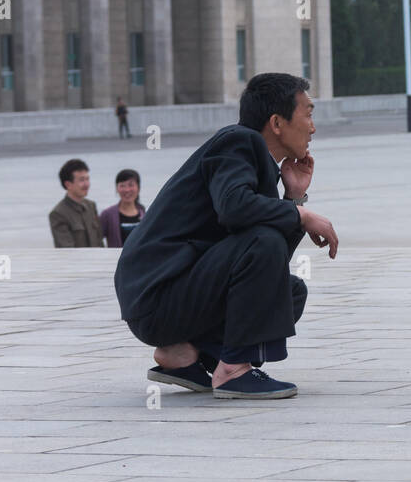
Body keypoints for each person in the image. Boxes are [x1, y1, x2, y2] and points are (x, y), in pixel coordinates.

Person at [114, 73, 338, 400]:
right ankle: (233, 369)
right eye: (308, 114)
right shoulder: (238, 142)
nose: (313, 127)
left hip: (169, 299)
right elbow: (236, 211)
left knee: (289, 291)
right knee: (265, 242)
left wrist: (293, 199)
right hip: (158, 294)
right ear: (277, 122)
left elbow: (264, 268)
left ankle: (185, 355)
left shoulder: (251, 158)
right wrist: (299, 215)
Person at [49, 160, 104, 248]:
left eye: (87, 179)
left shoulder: (91, 206)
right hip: (77, 261)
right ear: (68, 184)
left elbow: (99, 241)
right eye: (82, 180)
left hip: (97, 260)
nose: (87, 184)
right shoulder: (58, 214)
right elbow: (66, 250)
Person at [99, 169, 146, 248]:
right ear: (117, 189)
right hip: (115, 259)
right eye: (122, 185)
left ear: (138, 188)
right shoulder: (107, 214)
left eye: (131, 185)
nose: (127, 190)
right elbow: (97, 239)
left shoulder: (144, 213)